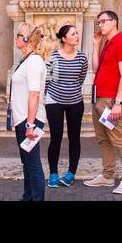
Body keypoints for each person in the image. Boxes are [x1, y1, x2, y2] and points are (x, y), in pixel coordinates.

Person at [84, 8, 122, 194]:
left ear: (114, 22)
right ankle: (107, 176)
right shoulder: (108, 43)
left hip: (110, 102)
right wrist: (96, 45)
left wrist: (117, 103)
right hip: (99, 99)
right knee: (103, 140)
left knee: (119, 139)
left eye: (103, 21)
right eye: (98, 22)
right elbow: (96, 69)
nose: (100, 25)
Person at [45, 24, 88, 188]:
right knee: (55, 137)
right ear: (64, 39)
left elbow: (81, 78)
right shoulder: (54, 57)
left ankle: (71, 173)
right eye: (73, 34)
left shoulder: (82, 58)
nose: (77, 36)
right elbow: (48, 80)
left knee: (74, 138)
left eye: (77, 33)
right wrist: (47, 99)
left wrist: (71, 91)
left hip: (75, 103)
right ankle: (53, 174)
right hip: (54, 102)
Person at [11, 24, 47, 202]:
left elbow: (34, 94)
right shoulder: (26, 60)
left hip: (29, 120)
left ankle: (37, 199)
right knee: (27, 163)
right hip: (22, 119)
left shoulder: (33, 62)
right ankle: (28, 197)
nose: (15, 38)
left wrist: (30, 124)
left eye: (18, 35)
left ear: (26, 40)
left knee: (32, 164)